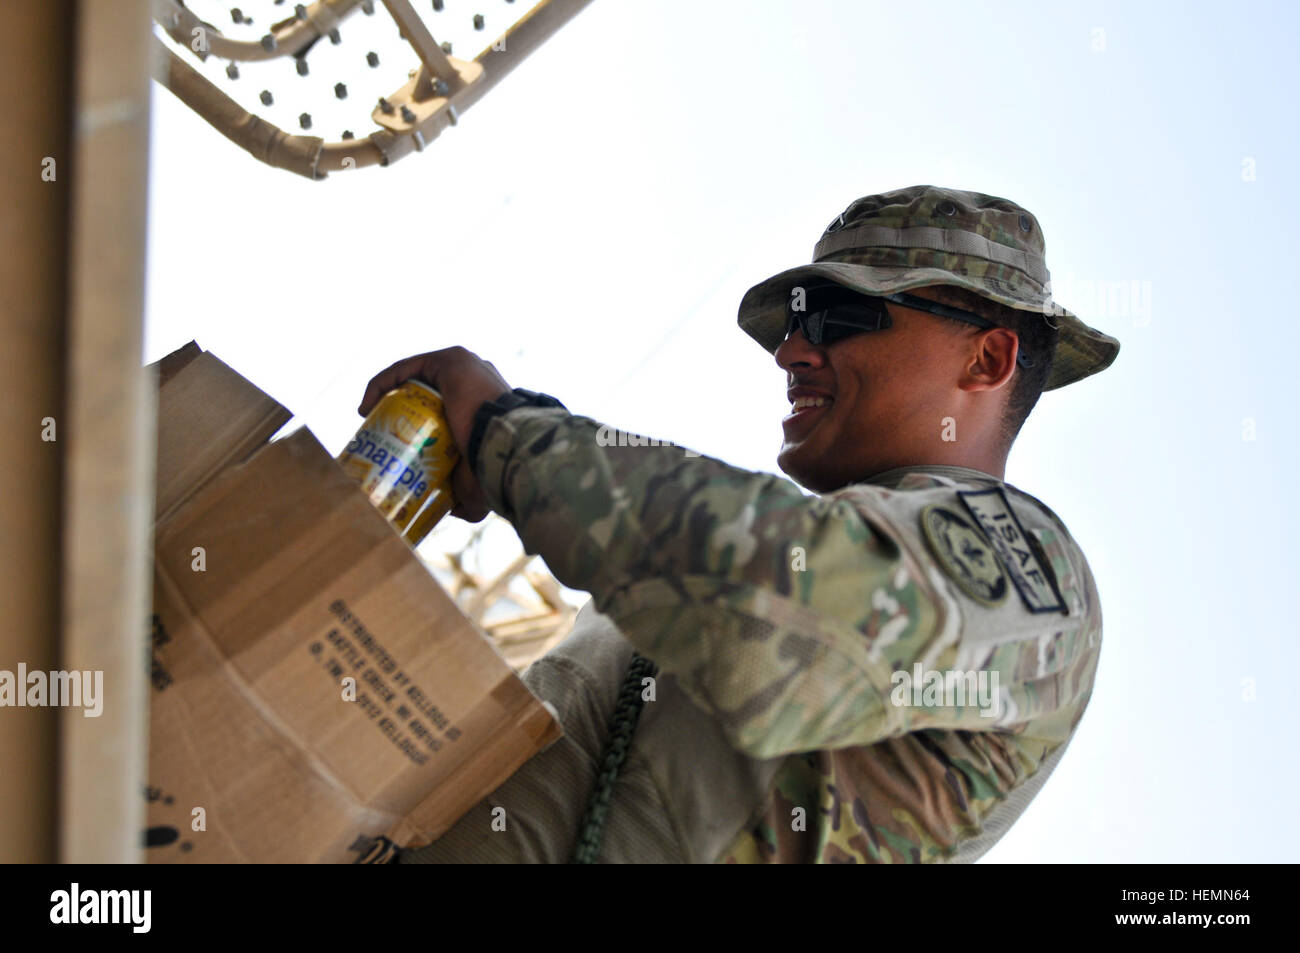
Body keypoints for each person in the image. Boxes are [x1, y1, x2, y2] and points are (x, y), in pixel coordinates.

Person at [368, 184, 1119, 863]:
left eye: (835, 318)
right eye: (795, 323)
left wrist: (509, 435)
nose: (792, 352)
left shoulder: (1033, 581)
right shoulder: (695, 573)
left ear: (987, 359)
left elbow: (780, 629)